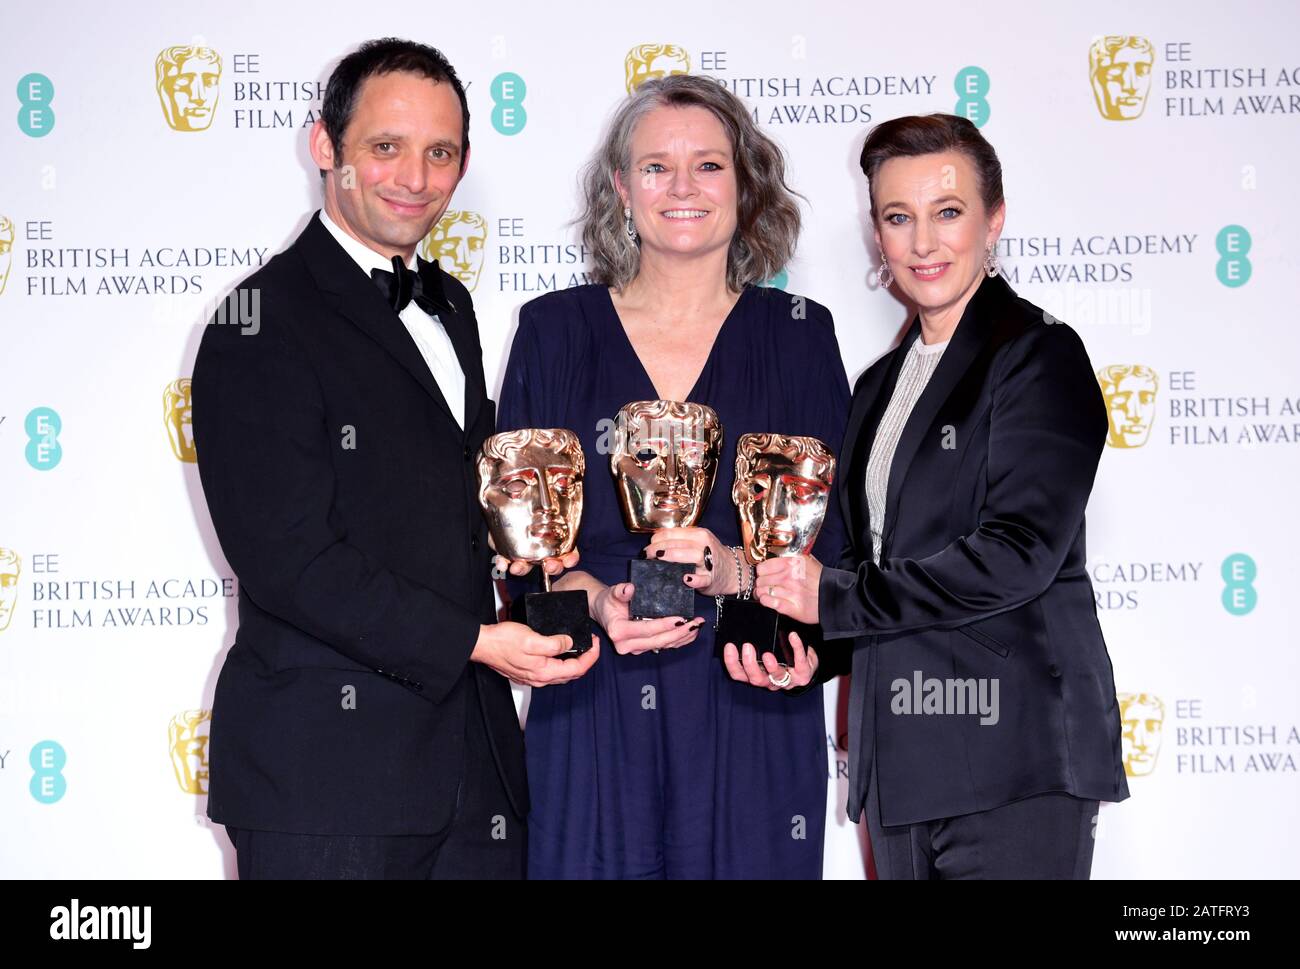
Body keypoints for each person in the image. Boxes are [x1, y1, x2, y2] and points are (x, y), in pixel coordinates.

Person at [192, 37, 596, 880]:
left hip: (476, 774)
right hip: (327, 787)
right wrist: (478, 642)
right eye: (386, 147)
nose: (415, 177)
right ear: (324, 147)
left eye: (439, 152)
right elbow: (290, 561)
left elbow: (455, 505)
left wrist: (538, 565)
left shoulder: (451, 304)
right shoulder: (258, 322)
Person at [755, 113, 1129, 879]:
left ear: (994, 220)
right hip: (898, 768)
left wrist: (832, 599)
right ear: (878, 234)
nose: (923, 242)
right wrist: (806, 651)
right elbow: (866, 563)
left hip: (1012, 761)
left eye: (947, 212)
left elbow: (1016, 555)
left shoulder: (1038, 355)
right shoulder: (878, 386)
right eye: (899, 217)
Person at [495, 75, 849, 879]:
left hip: (748, 685)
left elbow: (843, 553)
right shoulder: (554, 331)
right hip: (593, 695)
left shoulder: (799, 336)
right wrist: (593, 600)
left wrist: (737, 571)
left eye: (709, 166)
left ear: (745, 183)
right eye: (656, 167)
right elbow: (522, 547)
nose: (683, 188)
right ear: (621, 186)